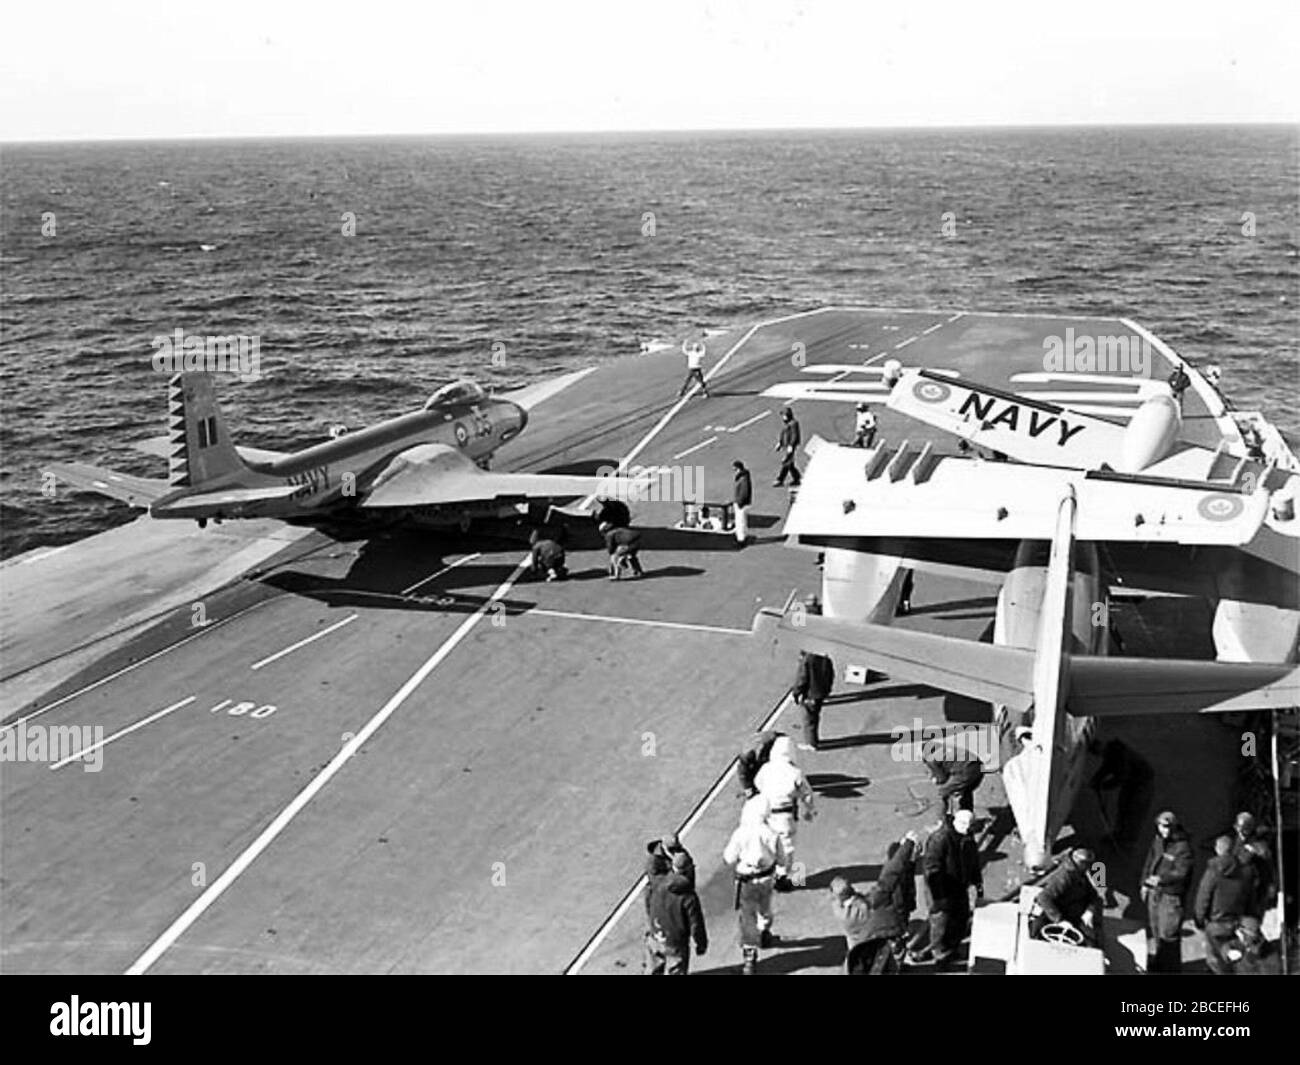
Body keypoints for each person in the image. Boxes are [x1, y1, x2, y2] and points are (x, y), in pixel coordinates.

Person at [723, 794, 788, 974]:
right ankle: (765, 933)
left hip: (747, 880)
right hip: (767, 878)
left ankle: (750, 958)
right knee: (765, 907)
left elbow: (729, 858)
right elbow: (783, 859)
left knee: (747, 917)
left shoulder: (741, 832)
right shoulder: (771, 833)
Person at [910, 810, 982, 967]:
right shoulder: (940, 839)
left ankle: (950, 947)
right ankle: (940, 954)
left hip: (958, 887)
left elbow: (973, 861)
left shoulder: (966, 838)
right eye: (965, 825)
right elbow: (932, 870)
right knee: (940, 922)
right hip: (941, 890)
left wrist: (977, 883)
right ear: (956, 822)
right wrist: (940, 897)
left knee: (960, 918)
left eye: (970, 826)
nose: (968, 829)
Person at [849, 831, 920, 973]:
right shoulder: (885, 889)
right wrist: (907, 846)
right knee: (790, 845)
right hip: (891, 927)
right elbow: (893, 871)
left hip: (894, 924)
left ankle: (795, 882)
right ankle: (795, 881)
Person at [754, 735, 816, 891]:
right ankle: (782, 878)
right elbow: (807, 794)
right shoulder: (795, 772)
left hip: (766, 814)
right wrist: (810, 810)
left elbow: (757, 783)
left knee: (768, 844)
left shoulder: (766, 768)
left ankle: (766, 872)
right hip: (785, 816)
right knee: (787, 847)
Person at [1195, 835, 1260, 975]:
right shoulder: (1245, 871)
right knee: (1235, 961)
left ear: (1217, 849)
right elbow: (1251, 899)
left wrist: (1199, 920)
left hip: (1215, 924)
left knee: (1215, 962)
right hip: (1237, 923)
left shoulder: (1212, 872)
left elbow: (1203, 898)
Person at [1141, 809, 1193, 973]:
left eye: (1167, 827)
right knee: (1156, 930)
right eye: (1161, 827)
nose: (1164, 831)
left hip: (1170, 897)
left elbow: (1181, 872)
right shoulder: (1159, 840)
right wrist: (1145, 883)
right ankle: (1158, 963)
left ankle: (1170, 969)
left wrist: (1161, 879)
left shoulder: (1183, 848)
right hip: (1155, 893)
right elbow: (1150, 861)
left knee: (1168, 936)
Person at [644, 851, 708, 974]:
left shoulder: (659, 883)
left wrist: (651, 921)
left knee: (652, 969)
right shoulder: (688, 896)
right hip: (676, 943)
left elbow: (648, 900)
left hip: (656, 935)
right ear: (689, 869)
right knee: (676, 970)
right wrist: (701, 943)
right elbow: (696, 923)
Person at [1030, 846, 1103, 946]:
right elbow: (1044, 897)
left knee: (1092, 940)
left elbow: (1093, 895)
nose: (1089, 867)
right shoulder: (1064, 878)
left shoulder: (1079, 875)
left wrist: (1089, 911)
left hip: (1073, 914)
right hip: (1054, 913)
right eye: (1087, 864)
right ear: (1081, 864)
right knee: (1034, 935)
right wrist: (1059, 920)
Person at [1089, 738, 1155, 847]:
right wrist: (1096, 780)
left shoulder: (1119, 754)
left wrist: (1103, 786)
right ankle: (1118, 835)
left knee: (1133, 812)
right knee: (1123, 808)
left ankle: (1127, 842)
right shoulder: (1110, 752)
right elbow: (1106, 768)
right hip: (1131, 783)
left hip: (1142, 784)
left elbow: (1121, 777)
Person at [1229, 811, 1274, 916]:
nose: (1239, 831)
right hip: (1238, 885)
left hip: (1254, 886)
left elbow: (1266, 861)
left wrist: (1251, 850)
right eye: (1238, 828)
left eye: (1243, 829)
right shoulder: (1234, 840)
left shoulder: (1259, 841)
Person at [830, 877, 875, 974]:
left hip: (854, 946)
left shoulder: (840, 911)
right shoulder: (862, 907)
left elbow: (835, 902)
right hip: (871, 941)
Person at [922, 745, 984, 815]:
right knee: (966, 790)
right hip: (979, 767)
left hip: (965, 770)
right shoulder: (945, 749)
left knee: (941, 793)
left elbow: (942, 779)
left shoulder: (931, 759)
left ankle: (942, 821)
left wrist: (935, 779)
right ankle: (966, 817)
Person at [793, 648, 834, 751]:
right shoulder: (826, 659)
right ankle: (814, 740)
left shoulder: (808, 660)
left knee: (808, 719)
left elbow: (802, 678)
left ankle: (811, 743)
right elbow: (831, 675)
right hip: (820, 694)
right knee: (815, 717)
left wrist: (796, 692)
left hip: (809, 694)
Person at [737, 729, 784, 797]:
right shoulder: (746, 754)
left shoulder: (767, 748)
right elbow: (742, 772)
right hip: (768, 740)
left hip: (776, 742)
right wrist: (747, 789)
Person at [772, 408, 802, 487]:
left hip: (790, 446)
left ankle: (780, 479)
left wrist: (791, 446)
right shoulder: (787, 424)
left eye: (784, 415)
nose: (783, 417)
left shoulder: (793, 423)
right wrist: (780, 443)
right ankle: (797, 478)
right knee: (790, 464)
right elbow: (783, 434)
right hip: (786, 445)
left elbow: (794, 435)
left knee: (786, 462)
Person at [732, 460, 752, 545]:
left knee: (740, 521)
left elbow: (744, 492)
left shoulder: (743, 479)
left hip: (742, 504)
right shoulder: (744, 477)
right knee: (742, 521)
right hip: (743, 503)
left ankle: (741, 539)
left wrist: (739, 503)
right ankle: (743, 536)